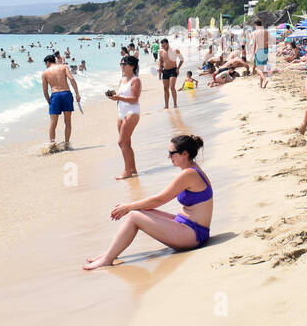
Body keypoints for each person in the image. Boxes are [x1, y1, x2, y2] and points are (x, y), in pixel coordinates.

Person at [84, 134, 213, 269]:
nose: (169, 157)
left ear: (184, 154)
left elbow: (159, 199)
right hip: (188, 228)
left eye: (171, 153)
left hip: (193, 235)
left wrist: (127, 207)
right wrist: (130, 207)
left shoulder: (189, 174)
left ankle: (108, 258)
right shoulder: (192, 170)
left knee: (133, 216)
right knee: (139, 210)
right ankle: (110, 253)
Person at [107, 55, 141, 179]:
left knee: (121, 142)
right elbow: (121, 96)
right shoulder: (122, 80)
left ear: (132, 66)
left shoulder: (135, 80)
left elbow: (134, 98)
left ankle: (127, 172)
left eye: (124, 64)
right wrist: (114, 96)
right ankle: (133, 169)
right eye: (120, 64)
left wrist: (119, 97)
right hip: (121, 112)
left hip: (132, 112)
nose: (122, 66)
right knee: (126, 143)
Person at [41, 53, 81, 151]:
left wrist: (49, 101)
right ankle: (67, 144)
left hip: (55, 96)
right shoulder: (63, 67)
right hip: (66, 94)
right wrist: (77, 94)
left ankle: (52, 145)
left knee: (53, 123)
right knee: (67, 122)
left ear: (48, 62)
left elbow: (45, 91)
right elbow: (72, 79)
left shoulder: (45, 73)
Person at [157, 38, 184, 109]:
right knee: (165, 89)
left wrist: (178, 68)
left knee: (172, 87)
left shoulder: (174, 50)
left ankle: (175, 104)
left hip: (173, 70)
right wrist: (160, 67)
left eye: (165, 45)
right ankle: (166, 106)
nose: (164, 47)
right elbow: (160, 61)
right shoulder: (161, 51)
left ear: (168, 43)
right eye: (162, 46)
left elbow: (182, 59)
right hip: (165, 71)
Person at [251, 19, 271, 90]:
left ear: (256, 25)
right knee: (263, 68)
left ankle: (265, 80)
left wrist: (253, 53)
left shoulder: (256, 32)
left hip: (259, 50)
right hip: (265, 50)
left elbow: (255, 44)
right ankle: (261, 85)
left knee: (258, 69)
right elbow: (268, 42)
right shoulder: (266, 31)